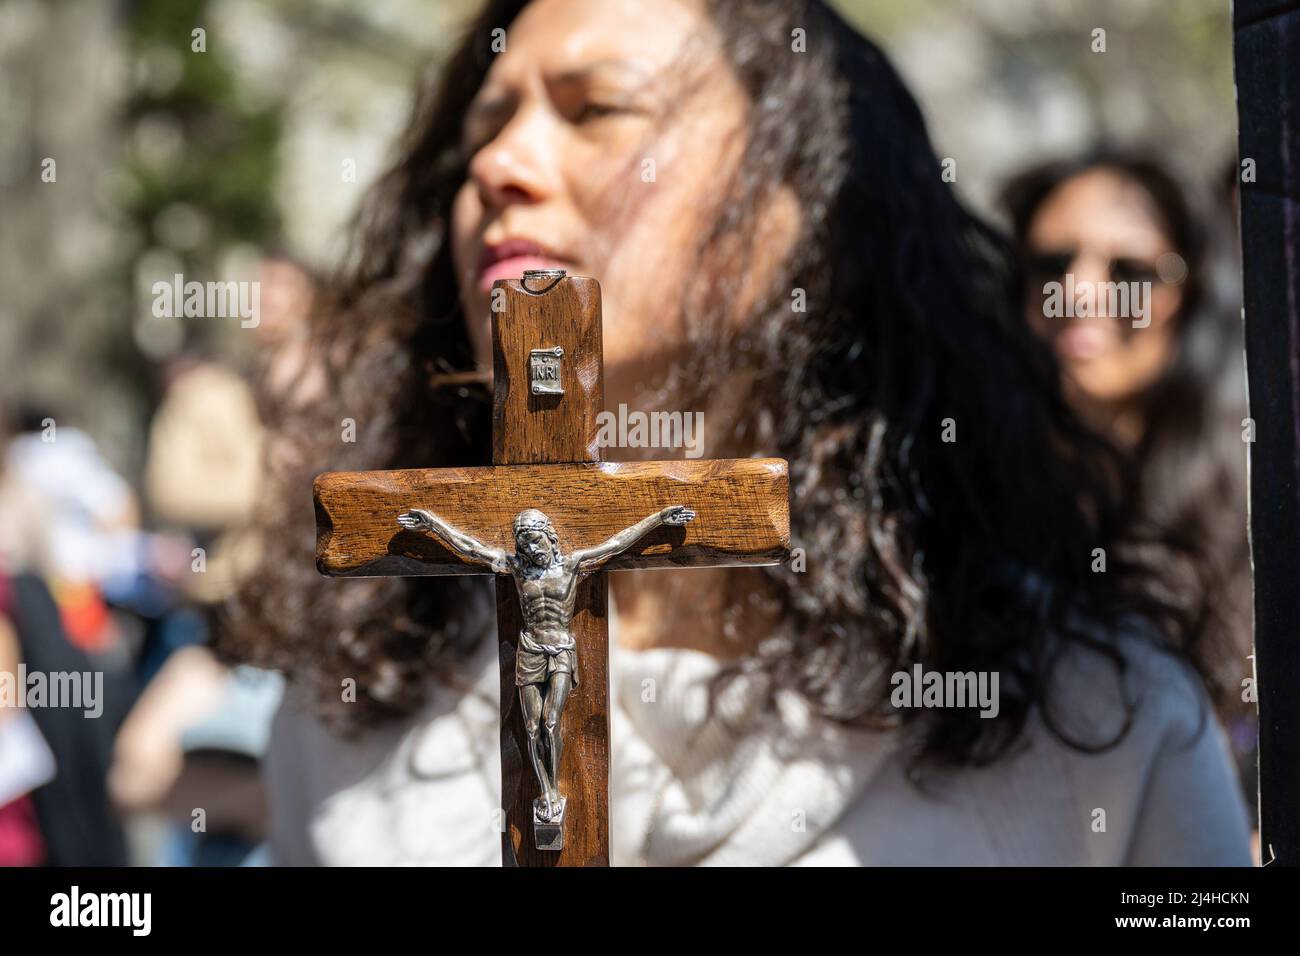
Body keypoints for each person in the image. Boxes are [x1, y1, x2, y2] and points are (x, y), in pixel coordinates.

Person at [228, 0, 1251, 865]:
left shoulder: (1088, 732)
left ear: (805, 201)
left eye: (598, 110)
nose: (501, 161)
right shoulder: (347, 712)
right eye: (481, 129)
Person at [1001, 151, 1256, 830]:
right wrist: (684, 525)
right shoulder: (958, 467)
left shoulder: (1265, 495)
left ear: (1195, 293)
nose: (1080, 293)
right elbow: (735, 519)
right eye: (1051, 266)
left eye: (1130, 273)